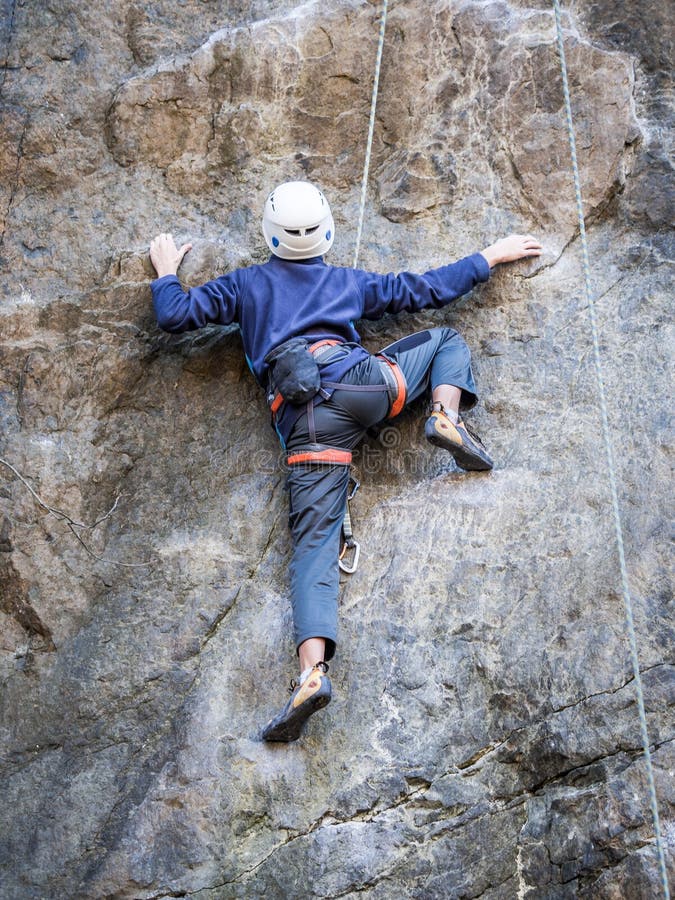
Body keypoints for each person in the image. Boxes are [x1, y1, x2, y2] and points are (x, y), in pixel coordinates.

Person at [149, 181, 543, 742]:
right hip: (363, 385)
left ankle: (311, 674)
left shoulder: (245, 285)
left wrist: (166, 271)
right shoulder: (346, 282)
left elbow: (175, 314)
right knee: (444, 341)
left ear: (270, 234)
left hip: (306, 425)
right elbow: (424, 289)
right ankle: (444, 415)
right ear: (326, 231)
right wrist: (490, 255)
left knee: (314, 548)